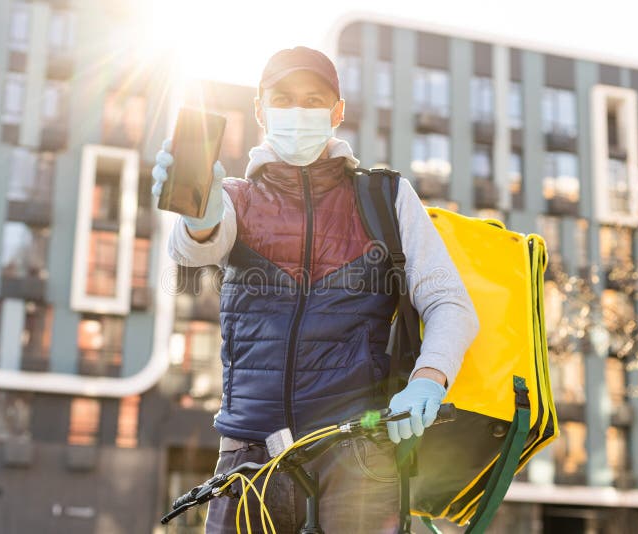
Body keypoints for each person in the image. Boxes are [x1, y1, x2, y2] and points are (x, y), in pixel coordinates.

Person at [152, 46, 479, 534]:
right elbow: (190, 253)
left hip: (357, 453)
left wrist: (429, 380)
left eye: (313, 99)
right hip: (249, 456)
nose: (298, 112)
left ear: (337, 111)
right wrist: (199, 216)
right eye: (283, 98)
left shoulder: (385, 197)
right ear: (260, 110)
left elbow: (449, 301)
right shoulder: (234, 200)